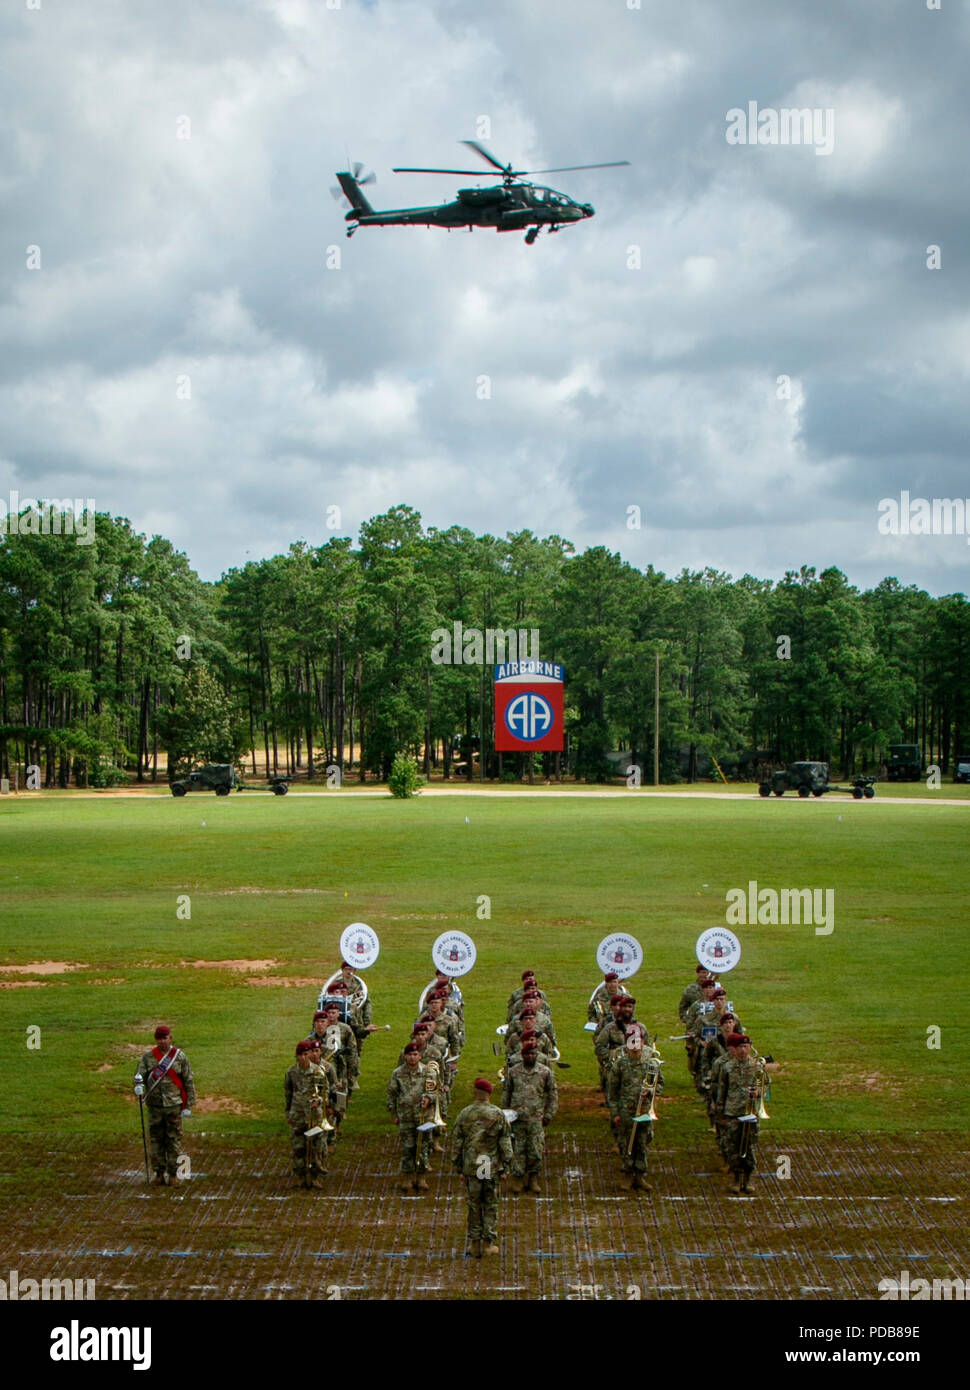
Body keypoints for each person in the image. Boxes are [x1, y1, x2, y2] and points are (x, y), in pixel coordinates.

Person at [450, 1078, 513, 1258]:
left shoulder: (465, 1114)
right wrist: (506, 1167)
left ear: (475, 1093)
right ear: (489, 1094)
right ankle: (488, 1243)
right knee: (490, 1203)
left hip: (471, 1164)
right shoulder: (498, 1114)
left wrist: (458, 1167)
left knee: (474, 1204)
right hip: (489, 1165)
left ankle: (474, 1242)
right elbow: (505, 1144)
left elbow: (457, 1143)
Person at [135, 1025, 196, 1188]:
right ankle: (159, 1173)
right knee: (156, 1139)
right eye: (159, 1038)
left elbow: (188, 1080)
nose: (162, 1041)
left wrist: (188, 1104)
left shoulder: (180, 1057)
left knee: (173, 1139)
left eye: (165, 1038)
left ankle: (174, 1174)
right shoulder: (148, 1058)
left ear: (171, 1038)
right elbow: (140, 1076)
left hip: (173, 1105)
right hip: (155, 1106)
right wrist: (138, 1087)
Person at [607, 1023, 663, 1192]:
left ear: (643, 1041)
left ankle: (640, 1175)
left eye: (637, 1041)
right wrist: (615, 1113)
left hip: (644, 1109)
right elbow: (612, 1091)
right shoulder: (620, 1064)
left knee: (642, 1142)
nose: (635, 1045)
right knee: (626, 1143)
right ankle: (628, 1174)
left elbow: (660, 1084)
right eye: (631, 1041)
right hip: (626, 1111)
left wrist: (651, 1092)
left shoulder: (651, 1062)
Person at [502, 1038, 557, 1193]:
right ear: (523, 1055)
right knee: (518, 1150)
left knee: (535, 1150)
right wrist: (505, 1114)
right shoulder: (513, 1072)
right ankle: (518, 1179)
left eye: (534, 1054)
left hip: (536, 1118)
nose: (531, 1056)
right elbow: (507, 1094)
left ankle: (533, 1178)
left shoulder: (545, 1072)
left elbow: (552, 1094)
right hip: (517, 1118)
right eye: (529, 1054)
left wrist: (549, 1114)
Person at [715, 1034, 762, 1196]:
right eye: (740, 1047)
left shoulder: (756, 1066)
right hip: (732, 1111)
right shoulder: (727, 1067)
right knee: (733, 1147)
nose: (743, 1050)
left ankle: (748, 1179)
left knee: (748, 1146)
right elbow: (722, 1090)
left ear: (750, 1048)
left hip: (750, 1112)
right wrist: (720, 1112)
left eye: (746, 1047)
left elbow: (766, 1087)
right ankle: (736, 1179)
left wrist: (759, 1092)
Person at [386, 1042, 435, 1192]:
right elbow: (392, 1095)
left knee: (423, 1147)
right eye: (409, 1055)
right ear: (405, 1056)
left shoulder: (428, 1072)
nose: (413, 1058)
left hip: (423, 1117)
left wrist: (429, 1099)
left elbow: (434, 1092)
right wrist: (394, 1114)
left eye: (415, 1055)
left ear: (420, 1056)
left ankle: (421, 1177)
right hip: (405, 1116)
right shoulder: (397, 1073)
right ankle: (407, 1177)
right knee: (408, 1147)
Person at [284, 1041, 331, 1187]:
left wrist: (320, 1100)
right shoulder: (291, 1072)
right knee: (299, 1147)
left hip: (314, 1114)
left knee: (317, 1146)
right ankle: (301, 1176)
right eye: (301, 1055)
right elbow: (288, 1093)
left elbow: (326, 1091)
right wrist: (288, 1112)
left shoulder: (318, 1070)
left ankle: (316, 1176)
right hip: (298, 1113)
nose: (303, 1058)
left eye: (306, 1054)